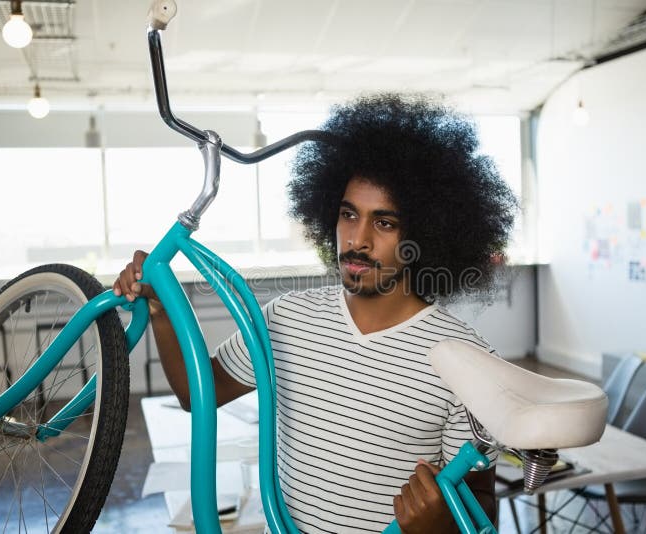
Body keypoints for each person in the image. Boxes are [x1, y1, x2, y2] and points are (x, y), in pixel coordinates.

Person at [114, 93, 517, 533]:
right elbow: (199, 395)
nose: (357, 239)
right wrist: (162, 310)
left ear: (426, 232)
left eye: (384, 222)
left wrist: (440, 526)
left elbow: (483, 508)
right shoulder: (287, 317)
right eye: (348, 214)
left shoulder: (466, 361)